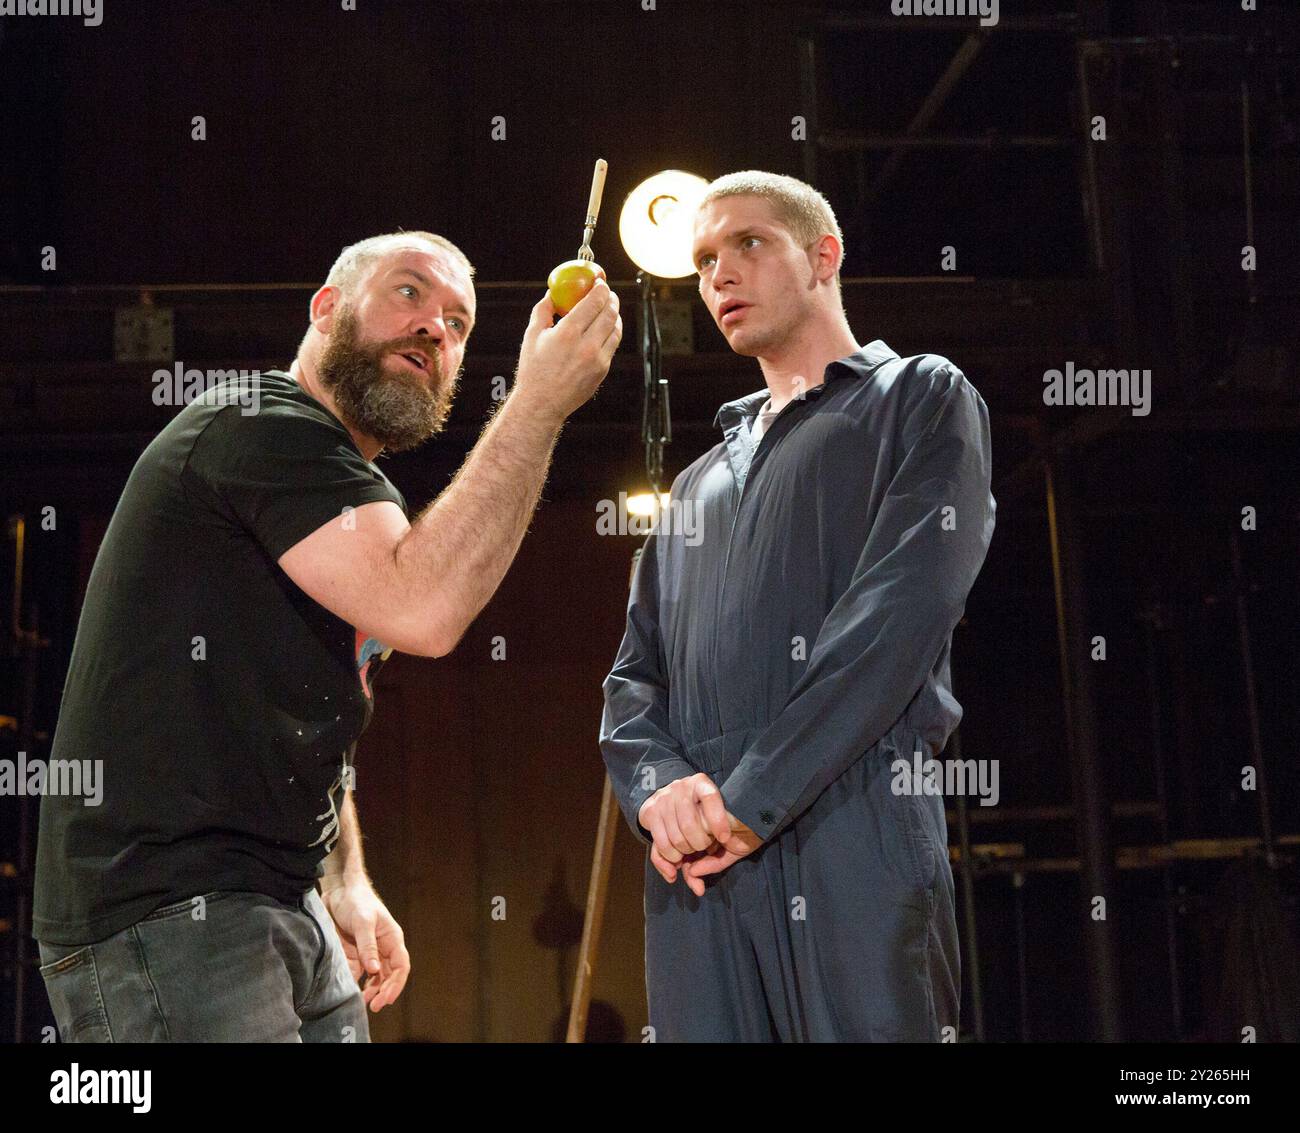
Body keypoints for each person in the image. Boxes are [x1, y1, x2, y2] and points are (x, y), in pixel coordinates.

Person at [33, 230, 622, 1041]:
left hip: (279, 900)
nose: (435, 329)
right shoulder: (261, 424)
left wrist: (346, 880)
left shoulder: (337, 484)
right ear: (327, 308)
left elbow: (318, 712)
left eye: (458, 323)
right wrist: (538, 403)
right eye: (410, 293)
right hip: (168, 908)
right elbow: (425, 609)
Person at [599, 172, 995, 1041]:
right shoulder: (697, 480)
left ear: (823, 255)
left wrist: (752, 798)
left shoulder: (920, 396)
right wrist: (658, 790)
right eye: (704, 261)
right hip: (697, 863)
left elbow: (897, 618)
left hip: (852, 823)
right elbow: (633, 676)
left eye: (748, 244)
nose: (718, 276)